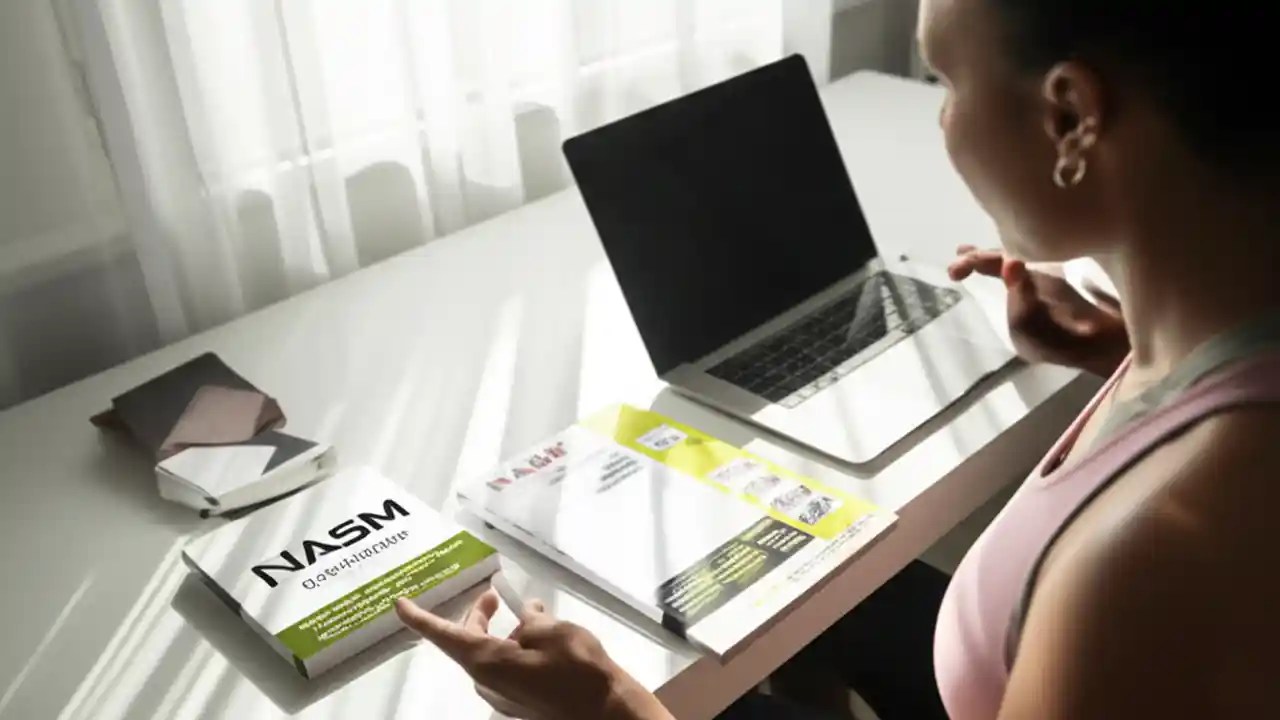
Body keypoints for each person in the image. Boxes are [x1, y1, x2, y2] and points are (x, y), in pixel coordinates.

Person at [395, 0, 1280, 717]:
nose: (941, 116)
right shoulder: (1225, 326)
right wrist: (1125, 352)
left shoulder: (1149, 565)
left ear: (1070, 117)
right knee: (814, 594)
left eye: (944, 78)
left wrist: (613, 710)